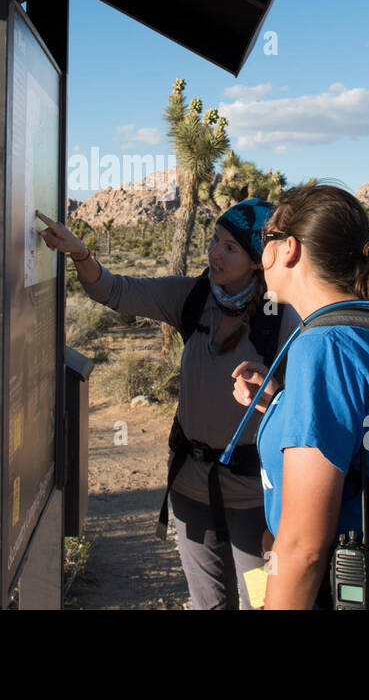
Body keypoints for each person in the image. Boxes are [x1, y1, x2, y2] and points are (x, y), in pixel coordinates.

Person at [36, 199, 299, 610]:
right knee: (209, 603)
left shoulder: (282, 315)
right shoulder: (192, 297)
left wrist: (275, 392)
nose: (214, 253)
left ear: (255, 260)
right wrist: (80, 254)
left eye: (230, 247)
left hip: (256, 499)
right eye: (214, 240)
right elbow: (114, 290)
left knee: (262, 603)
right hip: (191, 487)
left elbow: (305, 402)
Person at [231, 183, 369, 609]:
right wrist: (284, 402)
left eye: (265, 239)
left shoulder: (325, 346)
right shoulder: (364, 327)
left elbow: (302, 548)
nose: (259, 254)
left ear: (290, 250)